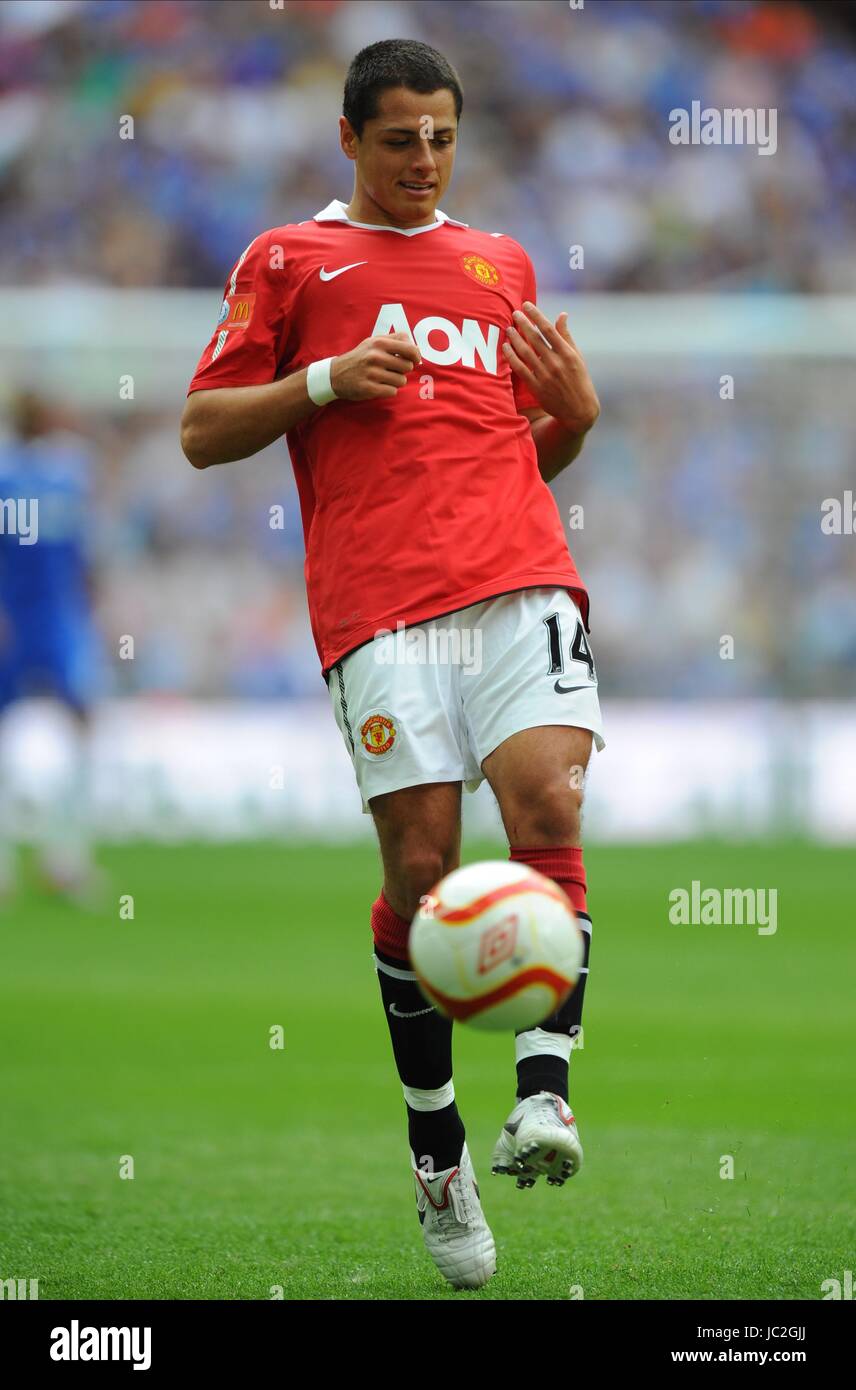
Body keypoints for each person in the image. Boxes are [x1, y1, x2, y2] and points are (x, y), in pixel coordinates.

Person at [181, 38, 603, 1291]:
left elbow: (521, 456)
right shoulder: (288, 261)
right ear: (352, 142)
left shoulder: (500, 265)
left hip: (520, 576)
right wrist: (319, 379)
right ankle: (437, 1151)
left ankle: (545, 1096)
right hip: (378, 609)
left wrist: (572, 417)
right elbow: (203, 429)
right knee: (421, 872)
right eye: (400, 138)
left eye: (443, 138)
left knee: (549, 805)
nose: (425, 160)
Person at [0, 390, 102, 902]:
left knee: (81, 724)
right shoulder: (16, 471)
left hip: (57, 620)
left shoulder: (69, 468)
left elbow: (84, 550)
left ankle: (65, 857)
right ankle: (32, 861)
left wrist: (90, 604)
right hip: (19, 616)